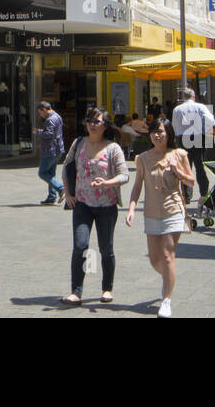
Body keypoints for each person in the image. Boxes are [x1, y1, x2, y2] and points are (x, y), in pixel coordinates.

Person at [126, 117, 195, 318]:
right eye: (154, 131)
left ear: (169, 134)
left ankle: (166, 300)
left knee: (166, 256)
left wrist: (178, 172)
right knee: (155, 260)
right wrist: (131, 208)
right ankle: (169, 276)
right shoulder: (143, 158)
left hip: (173, 210)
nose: (158, 135)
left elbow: (191, 182)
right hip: (151, 212)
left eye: (162, 132)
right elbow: (138, 185)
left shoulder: (179, 154)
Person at [62, 109, 129, 306]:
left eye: (97, 121)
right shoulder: (78, 143)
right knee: (80, 247)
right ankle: (76, 292)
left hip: (106, 206)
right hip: (82, 203)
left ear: (105, 126)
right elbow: (67, 168)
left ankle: (107, 289)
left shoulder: (113, 148)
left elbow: (125, 175)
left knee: (106, 248)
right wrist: (67, 194)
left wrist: (107, 183)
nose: (92, 124)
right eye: (89, 120)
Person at [172, 88, 215, 204]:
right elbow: (211, 120)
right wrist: (203, 130)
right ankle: (204, 192)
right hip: (197, 136)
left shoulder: (177, 109)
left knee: (185, 168)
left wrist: (177, 137)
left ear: (182, 97)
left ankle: (187, 196)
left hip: (182, 138)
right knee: (200, 166)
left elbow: (174, 126)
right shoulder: (200, 107)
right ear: (194, 97)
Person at [32, 101, 65, 204]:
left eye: (40, 113)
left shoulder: (50, 120)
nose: (40, 115)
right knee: (51, 173)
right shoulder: (58, 117)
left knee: (42, 173)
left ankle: (60, 188)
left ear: (44, 110)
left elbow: (49, 134)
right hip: (58, 149)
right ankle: (51, 197)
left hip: (50, 150)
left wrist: (38, 132)